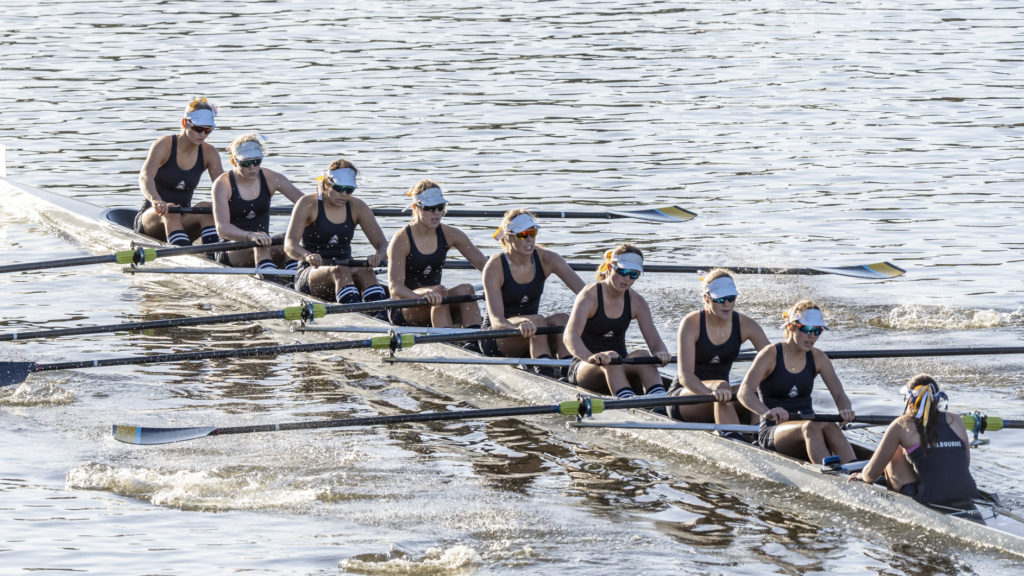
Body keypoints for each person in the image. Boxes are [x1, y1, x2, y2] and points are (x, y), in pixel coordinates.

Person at [738, 299, 857, 463]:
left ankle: (855, 471)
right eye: (807, 329)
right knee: (810, 427)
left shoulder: (818, 357)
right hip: (774, 430)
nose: (812, 336)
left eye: (817, 331)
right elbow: (744, 392)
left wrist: (845, 409)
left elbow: (838, 394)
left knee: (829, 425)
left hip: (807, 424)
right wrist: (766, 412)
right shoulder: (770, 355)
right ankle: (831, 475)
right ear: (791, 326)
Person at [849, 374, 979, 514]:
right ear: (937, 399)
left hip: (930, 501)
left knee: (894, 452)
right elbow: (965, 463)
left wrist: (861, 476)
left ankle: (898, 508)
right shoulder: (956, 420)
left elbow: (870, 475)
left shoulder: (901, 425)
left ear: (909, 400)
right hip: (970, 495)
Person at [480, 210, 585, 376]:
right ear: (509, 237)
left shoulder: (547, 259)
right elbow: (496, 321)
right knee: (537, 320)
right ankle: (545, 374)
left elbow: (586, 294)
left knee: (562, 320)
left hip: (533, 330)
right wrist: (518, 326)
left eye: (533, 233)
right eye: (524, 235)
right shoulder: (495, 266)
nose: (530, 239)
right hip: (498, 337)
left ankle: (569, 372)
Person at [563, 244, 671, 398]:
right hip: (585, 366)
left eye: (633, 274)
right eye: (622, 271)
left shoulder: (636, 301)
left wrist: (661, 353)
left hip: (618, 363)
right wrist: (589, 357)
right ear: (609, 267)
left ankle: (661, 404)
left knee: (642, 356)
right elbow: (570, 336)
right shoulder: (590, 295)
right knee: (611, 358)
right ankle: (627, 403)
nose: (627, 278)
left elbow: (654, 342)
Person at [668, 269, 770, 428]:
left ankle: (760, 433)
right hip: (686, 397)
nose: (727, 304)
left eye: (731, 298)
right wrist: (711, 396)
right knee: (723, 388)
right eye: (720, 299)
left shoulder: (746, 324)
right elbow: (685, 376)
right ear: (706, 298)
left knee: (755, 389)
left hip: (723, 394)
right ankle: (733, 435)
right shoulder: (691, 324)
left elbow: (774, 362)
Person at [284, 158, 389, 311]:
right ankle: (355, 315)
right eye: (339, 188)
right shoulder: (307, 203)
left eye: (349, 190)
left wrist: (379, 256)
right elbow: (289, 245)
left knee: (366, 270)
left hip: (345, 268)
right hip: (310, 272)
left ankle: (380, 315)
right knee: (339, 270)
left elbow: (383, 245)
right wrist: (307, 255)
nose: (344, 194)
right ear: (327, 184)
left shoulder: (357, 206)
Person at [386, 180, 487, 330]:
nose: (437, 213)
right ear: (416, 207)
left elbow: (485, 266)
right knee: (439, 292)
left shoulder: (451, 234)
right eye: (430, 208)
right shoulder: (401, 240)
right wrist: (423, 296)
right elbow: (395, 288)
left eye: (440, 207)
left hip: (437, 298)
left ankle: (474, 342)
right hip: (405, 306)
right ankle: (448, 343)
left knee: (466, 290)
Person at [211, 133, 304, 274]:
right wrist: (251, 236)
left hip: (262, 242)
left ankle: (295, 283)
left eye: (257, 161)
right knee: (261, 244)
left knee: (289, 241)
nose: (253, 167)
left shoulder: (272, 178)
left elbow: (307, 204)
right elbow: (222, 229)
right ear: (233, 161)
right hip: (230, 249)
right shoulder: (222, 184)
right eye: (246, 163)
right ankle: (271, 282)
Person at [136, 98, 224, 246]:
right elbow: (145, 177)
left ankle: (215, 256)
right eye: (198, 129)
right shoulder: (164, 145)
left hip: (183, 218)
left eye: (208, 130)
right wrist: (156, 200)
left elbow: (224, 188)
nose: (203, 134)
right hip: (153, 217)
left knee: (208, 208)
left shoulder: (209, 153)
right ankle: (182, 254)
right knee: (170, 209)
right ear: (185, 123)